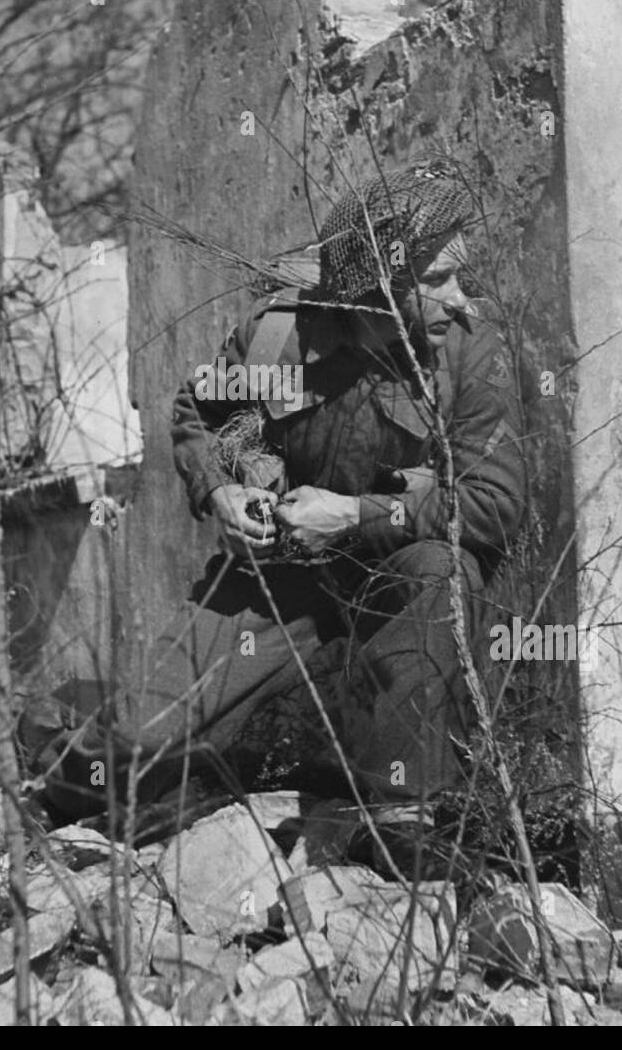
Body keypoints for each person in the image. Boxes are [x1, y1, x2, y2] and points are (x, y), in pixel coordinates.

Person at [28, 160, 528, 876]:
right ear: (380, 284)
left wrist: (357, 513)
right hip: (282, 574)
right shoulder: (281, 340)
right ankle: (58, 766)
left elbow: (495, 505)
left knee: (441, 571)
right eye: (437, 280)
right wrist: (222, 494)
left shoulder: (470, 355)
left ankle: (403, 821)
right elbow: (200, 415)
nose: (458, 299)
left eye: (461, 278)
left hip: (392, 571)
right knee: (140, 740)